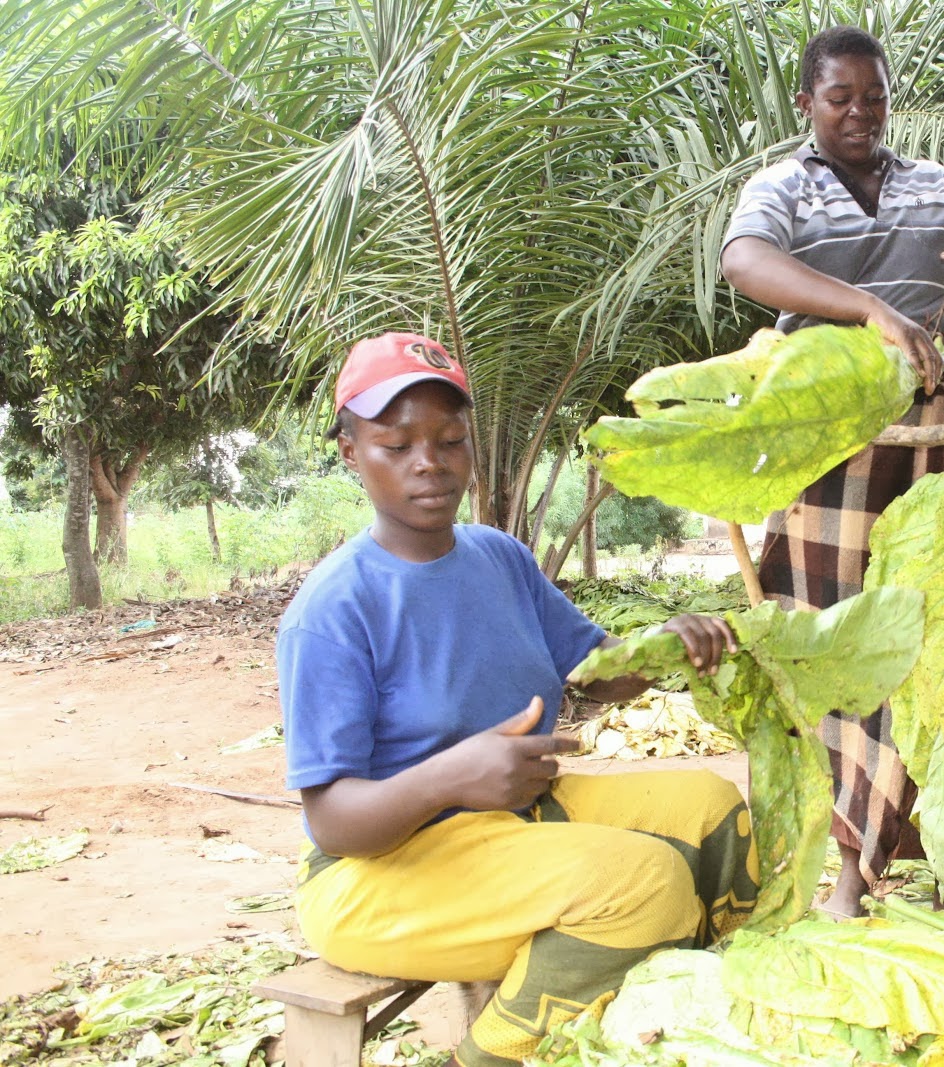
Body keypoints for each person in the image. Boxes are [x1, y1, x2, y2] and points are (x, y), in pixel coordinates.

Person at [278, 332, 758, 1067]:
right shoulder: (336, 608)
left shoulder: (497, 555)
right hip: (374, 875)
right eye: (396, 444)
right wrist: (450, 774)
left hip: (515, 821)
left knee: (715, 809)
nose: (428, 462)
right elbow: (333, 822)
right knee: (644, 885)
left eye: (448, 439)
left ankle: (675, 1029)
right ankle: (486, 1057)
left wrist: (670, 644)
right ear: (350, 452)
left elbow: (596, 671)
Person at [719, 26, 944, 919]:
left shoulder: (937, 186)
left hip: (935, 439)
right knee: (842, 651)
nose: (860, 113)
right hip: (833, 450)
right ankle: (854, 867)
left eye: (875, 97)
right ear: (809, 104)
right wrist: (870, 311)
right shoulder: (782, 188)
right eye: (841, 97)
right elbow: (744, 264)